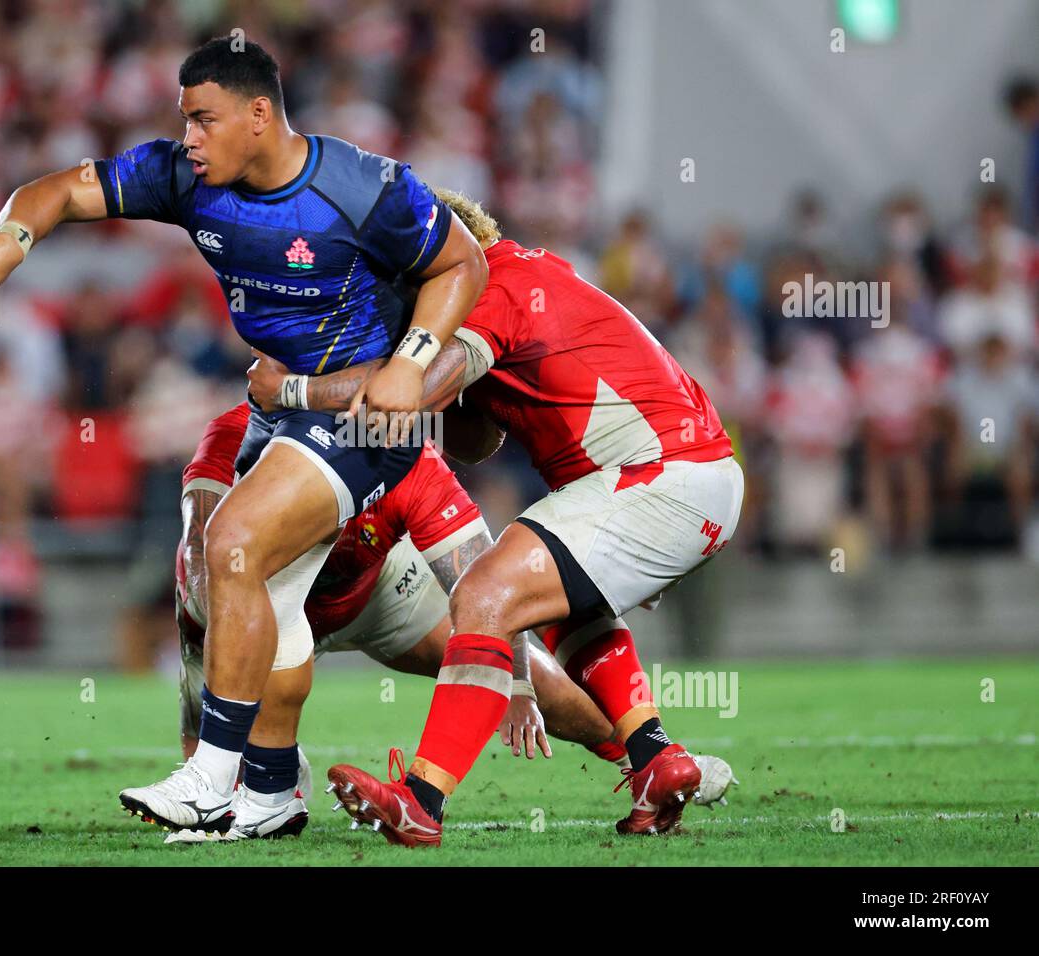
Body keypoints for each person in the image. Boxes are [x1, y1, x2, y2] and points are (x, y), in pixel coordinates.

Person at [0, 37, 488, 834]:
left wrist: (414, 361)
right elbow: (60, 191)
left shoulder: (362, 187)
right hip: (277, 414)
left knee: (234, 543)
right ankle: (273, 793)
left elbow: (462, 265)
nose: (188, 137)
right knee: (247, 592)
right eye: (184, 119)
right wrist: (5, 245)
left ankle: (210, 776)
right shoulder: (185, 177)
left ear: (259, 116)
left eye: (203, 119)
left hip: (363, 417)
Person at [250, 189, 744, 844]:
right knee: (562, 608)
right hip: (685, 475)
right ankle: (656, 760)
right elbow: (475, 439)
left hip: (660, 474)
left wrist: (294, 389)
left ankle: (421, 801)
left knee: (485, 589)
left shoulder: (489, 288)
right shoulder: (522, 277)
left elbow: (412, 397)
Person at [119, 403, 737, 840]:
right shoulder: (234, 435)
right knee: (211, 785)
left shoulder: (397, 453)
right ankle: (269, 782)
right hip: (249, 609)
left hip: (380, 592)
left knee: (535, 682)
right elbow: (202, 553)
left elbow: (483, 586)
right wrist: (222, 622)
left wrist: (517, 681)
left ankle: (646, 755)